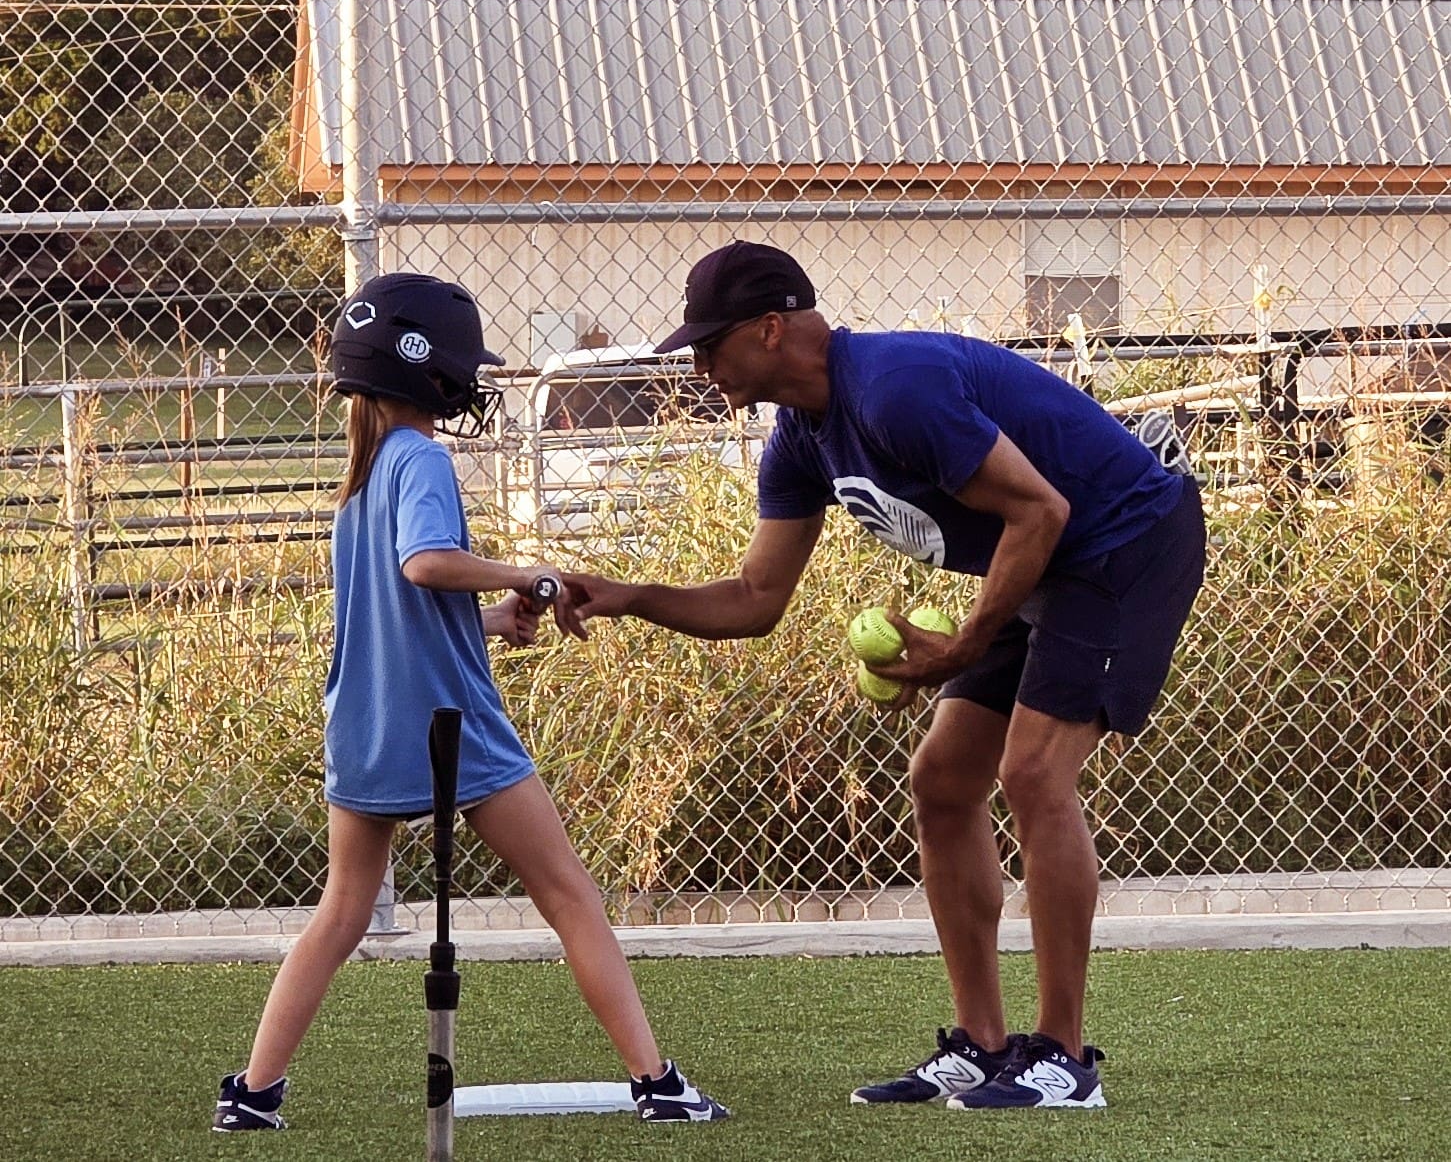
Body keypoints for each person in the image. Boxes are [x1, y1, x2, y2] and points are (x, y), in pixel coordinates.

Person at [565, 242, 1205, 1111]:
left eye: (709, 344)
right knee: (942, 780)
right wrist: (628, 595)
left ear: (768, 329)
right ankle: (982, 1045)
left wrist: (968, 640)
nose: (701, 363)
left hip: (1128, 540)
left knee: (1031, 773)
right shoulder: (800, 440)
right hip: (1048, 559)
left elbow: (1040, 508)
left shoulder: (893, 388)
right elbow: (756, 600)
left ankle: (1063, 1058)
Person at [212, 273, 728, 1131]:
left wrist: (487, 616)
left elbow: (398, 613)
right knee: (568, 894)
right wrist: (528, 570)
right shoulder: (419, 457)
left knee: (341, 913)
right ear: (425, 369)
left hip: (367, 726)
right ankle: (655, 1082)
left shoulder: (361, 483)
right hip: (453, 725)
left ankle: (254, 1092)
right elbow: (424, 564)